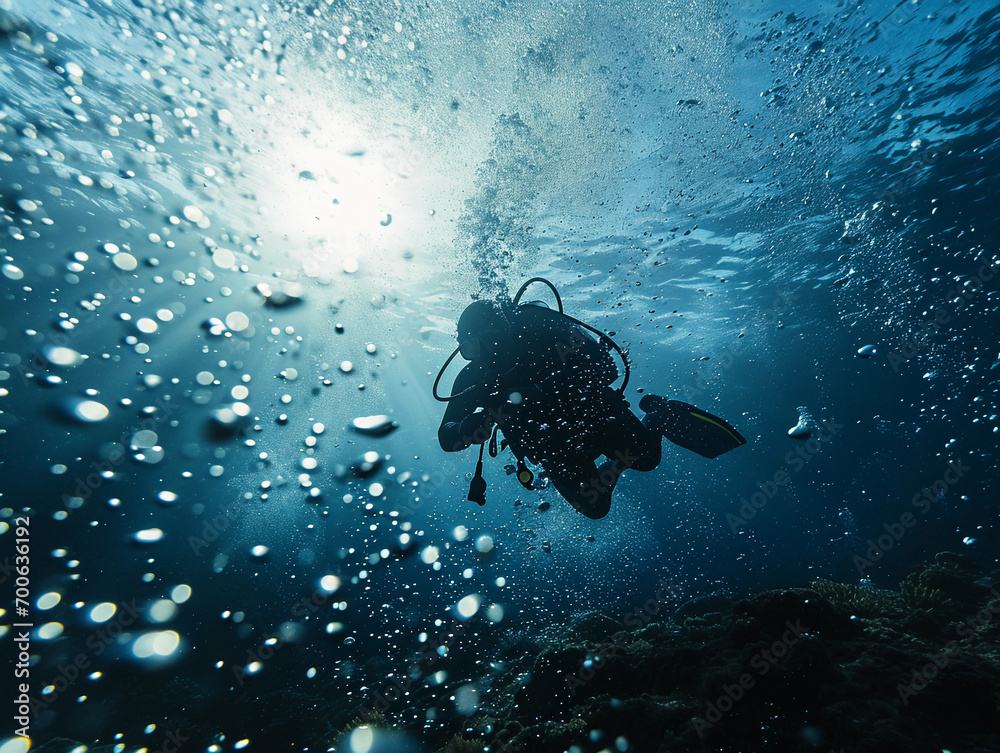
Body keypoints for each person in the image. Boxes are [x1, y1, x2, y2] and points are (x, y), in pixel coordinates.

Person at [435, 281, 746, 519]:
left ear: (505, 330)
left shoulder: (541, 333)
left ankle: (658, 414)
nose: (485, 354)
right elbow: (445, 436)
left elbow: (606, 365)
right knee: (594, 507)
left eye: (488, 341)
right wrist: (464, 427)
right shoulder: (473, 378)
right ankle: (625, 453)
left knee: (648, 458)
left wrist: (544, 389)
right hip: (553, 447)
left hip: (595, 415)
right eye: (472, 349)